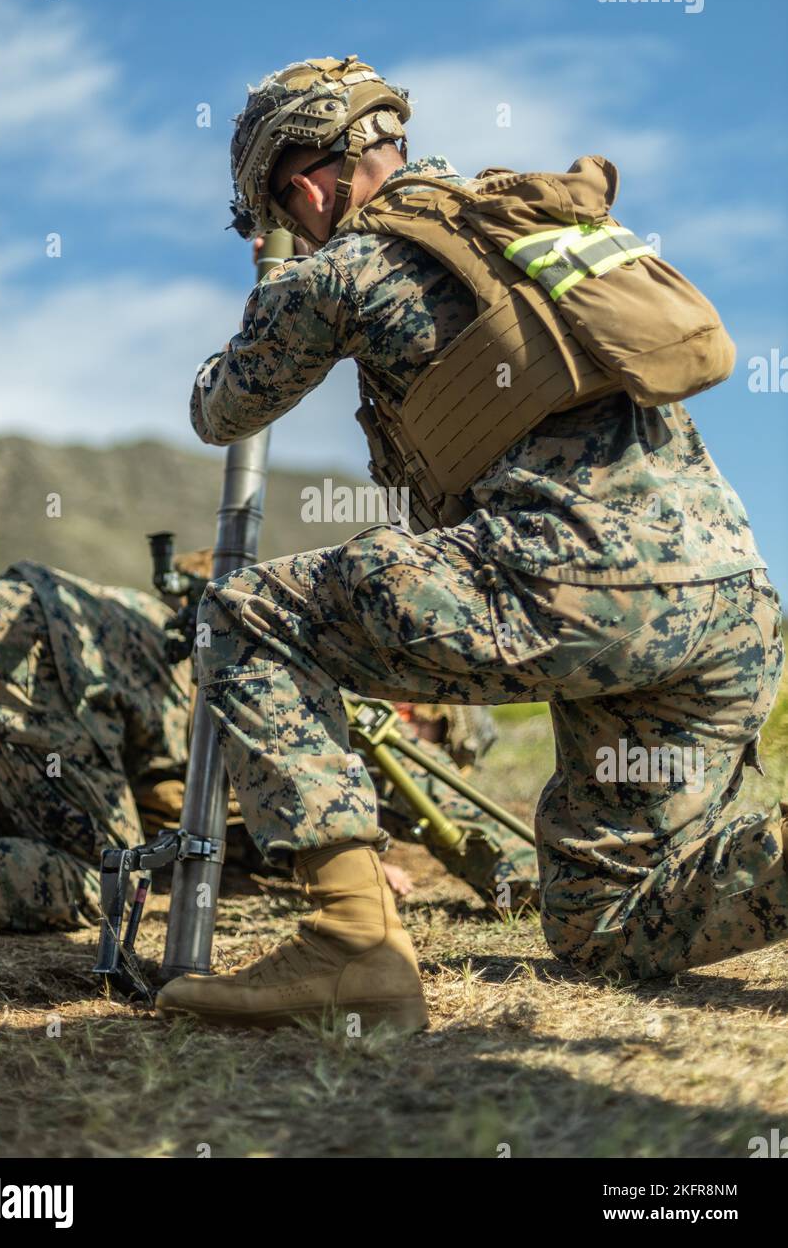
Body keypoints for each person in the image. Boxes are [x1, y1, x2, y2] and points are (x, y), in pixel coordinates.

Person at [154, 54, 785, 1032]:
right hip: (728, 607)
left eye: (282, 211)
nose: (288, 230)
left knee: (244, 616)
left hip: (571, 585)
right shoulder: (529, 225)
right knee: (601, 924)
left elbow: (220, 405)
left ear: (312, 179)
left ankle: (352, 943)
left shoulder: (352, 261)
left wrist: (274, 276)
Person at [0, 560, 534, 928]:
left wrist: (336, 858)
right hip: (37, 650)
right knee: (104, 880)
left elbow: (226, 830)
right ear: (414, 713)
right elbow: (465, 821)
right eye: (433, 741)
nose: (423, 753)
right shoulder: (360, 713)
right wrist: (540, 885)